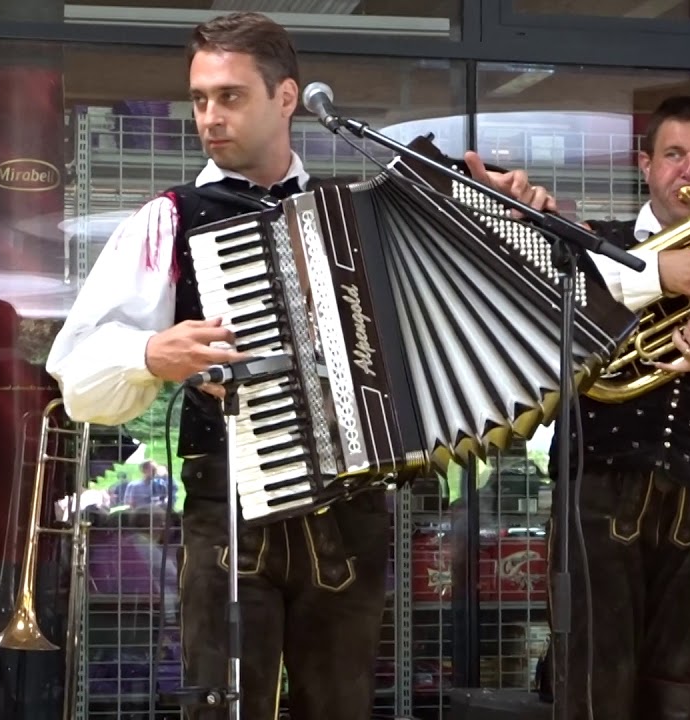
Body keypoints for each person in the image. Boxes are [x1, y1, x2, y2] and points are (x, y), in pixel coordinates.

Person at [47, 12, 534, 719]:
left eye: (231, 96)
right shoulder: (171, 219)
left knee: (338, 704)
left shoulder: (361, 214)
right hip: (231, 514)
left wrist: (504, 218)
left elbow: (479, 306)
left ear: (286, 99)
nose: (209, 117)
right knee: (220, 708)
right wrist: (151, 352)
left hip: (353, 510)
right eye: (200, 99)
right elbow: (77, 373)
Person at [471, 95, 690, 719]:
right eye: (674, 155)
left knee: (680, 692)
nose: (688, 170)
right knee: (591, 685)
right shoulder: (587, 249)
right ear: (645, 164)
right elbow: (539, 319)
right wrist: (662, 271)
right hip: (598, 494)